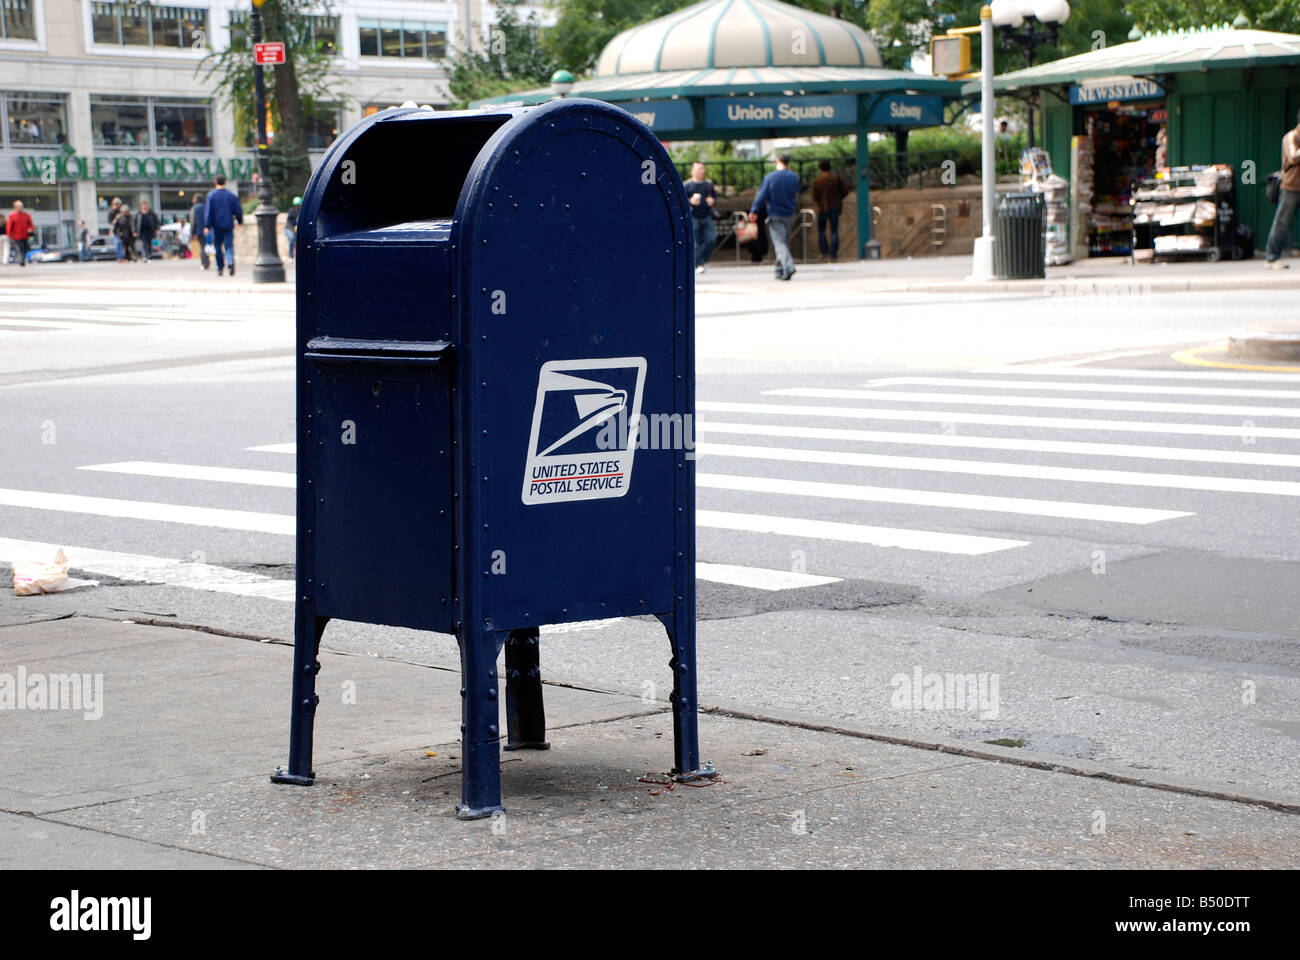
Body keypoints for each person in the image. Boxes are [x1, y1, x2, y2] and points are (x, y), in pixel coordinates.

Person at [749, 152, 802, 281]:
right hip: (789, 213)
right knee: (784, 242)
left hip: (775, 213)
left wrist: (754, 211)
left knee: (779, 243)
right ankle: (780, 271)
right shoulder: (794, 177)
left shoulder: (770, 177)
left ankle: (788, 266)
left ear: (777, 160)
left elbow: (762, 196)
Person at [1266, 108, 1300, 269]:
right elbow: (1293, 157)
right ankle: (1272, 258)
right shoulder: (1291, 137)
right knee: (1282, 222)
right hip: (1291, 186)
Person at [811, 159, 851, 262]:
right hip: (834, 207)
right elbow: (845, 191)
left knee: (822, 231)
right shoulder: (836, 178)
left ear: (820, 168)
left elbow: (814, 197)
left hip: (822, 208)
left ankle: (825, 252)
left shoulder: (817, 181)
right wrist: (838, 198)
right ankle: (833, 253)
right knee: (834, 231)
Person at [203, 174, 243, 276]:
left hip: (216, 226)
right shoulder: (231, 195)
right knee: (229, 245)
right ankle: (230, 261)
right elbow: (238, 210)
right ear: (225, 182)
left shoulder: (211, 196)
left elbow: (209, 212)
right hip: (228, 224)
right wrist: (240, 221)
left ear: (215, 183)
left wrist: (207, 226)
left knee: (217, 247)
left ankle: (220, 268)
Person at [683, 161, 717, 274]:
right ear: (692, 171)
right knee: (696, 243)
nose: (702, 171)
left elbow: (714, 198)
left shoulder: (708, 185)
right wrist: (690, 202)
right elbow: (681, 202)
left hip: (706, 215)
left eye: (703, 169)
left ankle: (701, 260)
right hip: (693, 216)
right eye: (699, 169)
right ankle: (699, 264)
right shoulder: (687, 185)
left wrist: (712, 201)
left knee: (711, 240)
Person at [5, 200, 35, 268]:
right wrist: (9, 235)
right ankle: (22, 260)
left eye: (21, 207)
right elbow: (9, 226)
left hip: (26, 235)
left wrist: (30, 229)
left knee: (25, 248)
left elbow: (30, 224)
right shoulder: (12, 215)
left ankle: (23, 259)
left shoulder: (26, 215)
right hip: (17, 236)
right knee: (21, 248)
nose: (20, 208)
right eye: (18, 207)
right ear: (15, 207)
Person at [190, 191, 210, 269]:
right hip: (207, 230)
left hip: (199, 231)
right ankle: (207, 262)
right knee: (207, 246)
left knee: (202, 247)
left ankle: (204, 263)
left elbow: (193, 221)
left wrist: (192, 233)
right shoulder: (206, 207)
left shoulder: (194, 208)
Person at [285, 195, 302, 260]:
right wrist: (292, 229)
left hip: (296, 230)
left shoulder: (301, 211)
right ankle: (291, 256)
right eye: (297, 205)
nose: (298, 206)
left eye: (299, 205)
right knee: (292, 238)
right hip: (289, 229)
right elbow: (289, 222)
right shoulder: (291, 211)